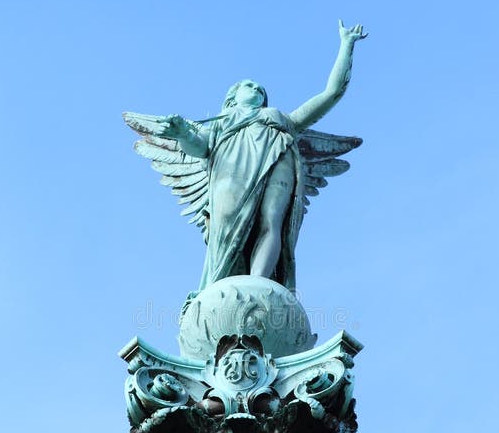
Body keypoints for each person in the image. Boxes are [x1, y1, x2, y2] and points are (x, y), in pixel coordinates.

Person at [132, 21, 366, 293]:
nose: (256, 89)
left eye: (261, 90)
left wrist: (346, 45)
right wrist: (182, 134)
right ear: (232, 98)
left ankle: (259, 284)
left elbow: (331, 93)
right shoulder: (220, 123)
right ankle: (222, 284)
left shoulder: (282, 120)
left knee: (272, 221)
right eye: (249, 85)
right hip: (230, 168)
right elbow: (198, 147)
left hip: (278, 159)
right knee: (227, 227)